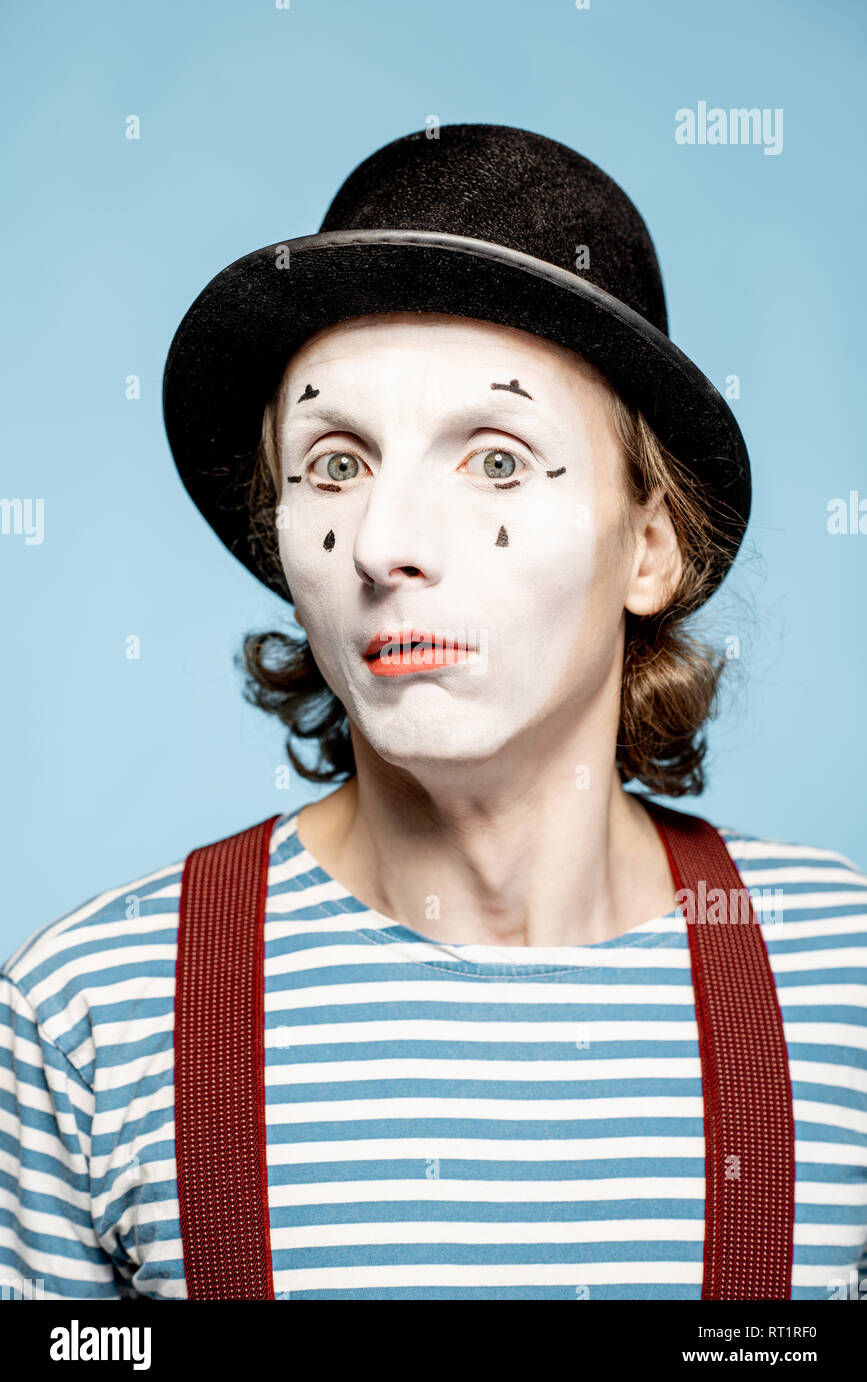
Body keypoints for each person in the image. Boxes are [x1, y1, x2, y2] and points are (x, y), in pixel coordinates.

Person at [2, 124, 865, 1302]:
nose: (385, 544)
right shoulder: (85, 1019)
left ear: (651, 548)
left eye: (498, 461)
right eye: (338, 465)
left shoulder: (847, 983)